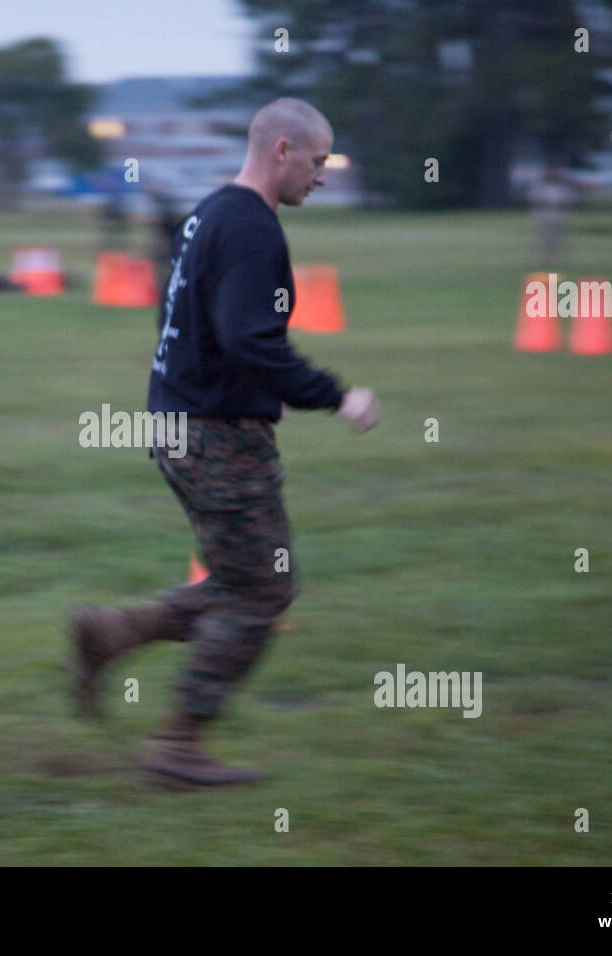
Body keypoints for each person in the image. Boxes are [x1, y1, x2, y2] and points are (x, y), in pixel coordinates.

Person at [68, 99, 379, 789]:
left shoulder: (209, 211)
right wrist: (333, 395)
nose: (322, 177)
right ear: (281, 151)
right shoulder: (251, 229)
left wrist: (254, 392)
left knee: (243, 582)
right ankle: (178, 746)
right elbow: (249, 337)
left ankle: (113, 632)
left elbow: (184, 315)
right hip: (215, 437)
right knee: (263, 593)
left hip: (182, 422)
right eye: (318, 161)